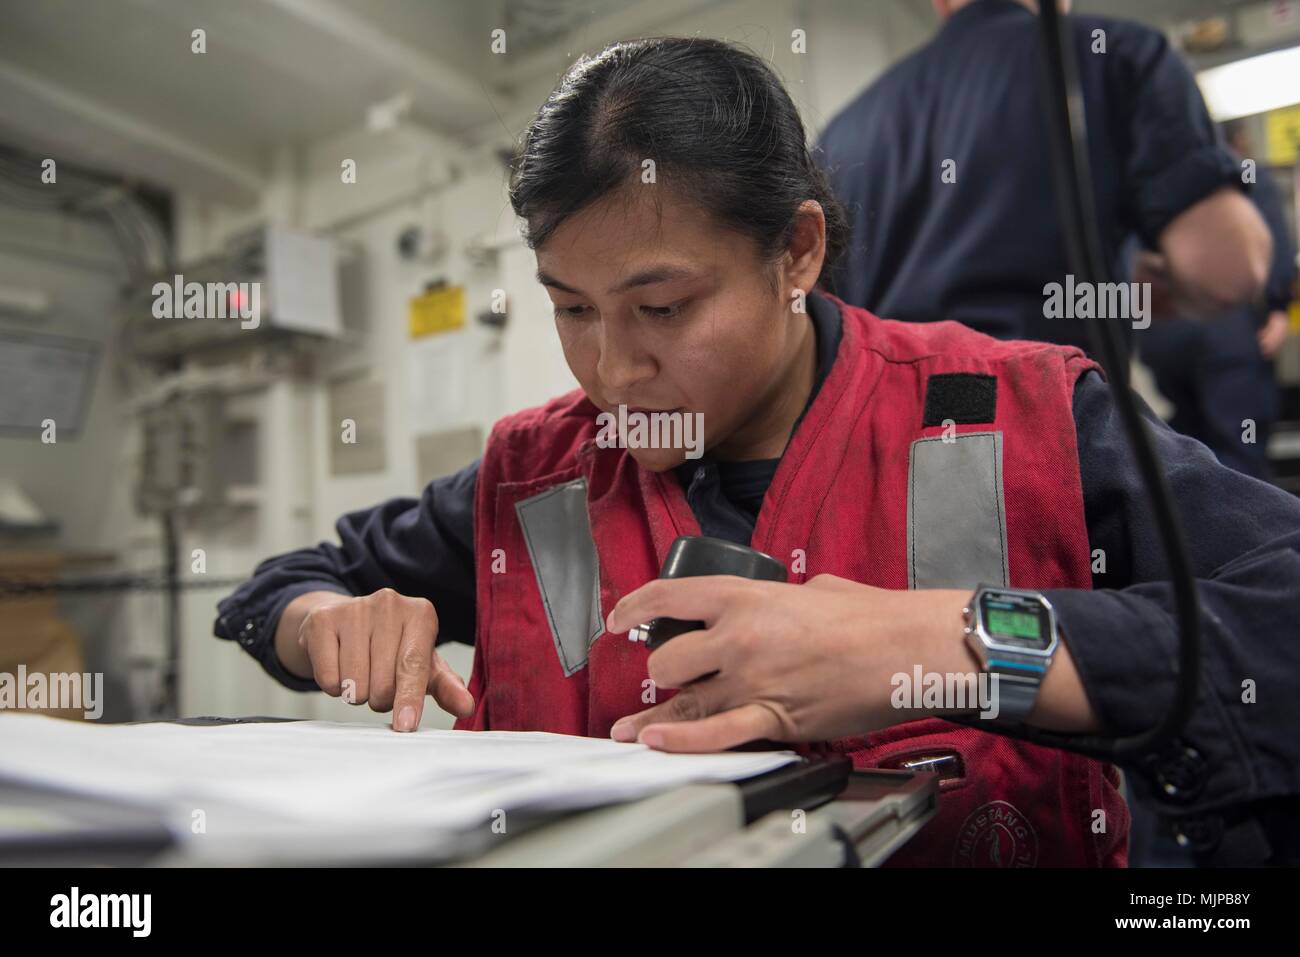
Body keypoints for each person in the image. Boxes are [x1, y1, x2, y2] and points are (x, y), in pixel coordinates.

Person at [217, 37, 1300, 866]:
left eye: (662, 307)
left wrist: (948, 641)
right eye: (571, 309)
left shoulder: (1019, 412)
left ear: (795, 250)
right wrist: (327, 625)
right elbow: (278, 591)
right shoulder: (532, 478)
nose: (612, 370)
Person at [816, 0, 1272, 353]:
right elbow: (1228, 272)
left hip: (891, 452)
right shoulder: (1120, 56)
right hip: (1052, 438)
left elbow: (822, 321)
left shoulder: (844, 129)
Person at [1141, 121, 1297, 481]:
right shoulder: (1246, 176)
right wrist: (1276, 308)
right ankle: (1245, 535)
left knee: (1189, 448)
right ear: (1239, 141)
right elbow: (1271, 248)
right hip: (1226, 330)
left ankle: (1189, 534)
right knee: (1241, 456)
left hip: (1162, 335)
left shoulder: (1156, 181)